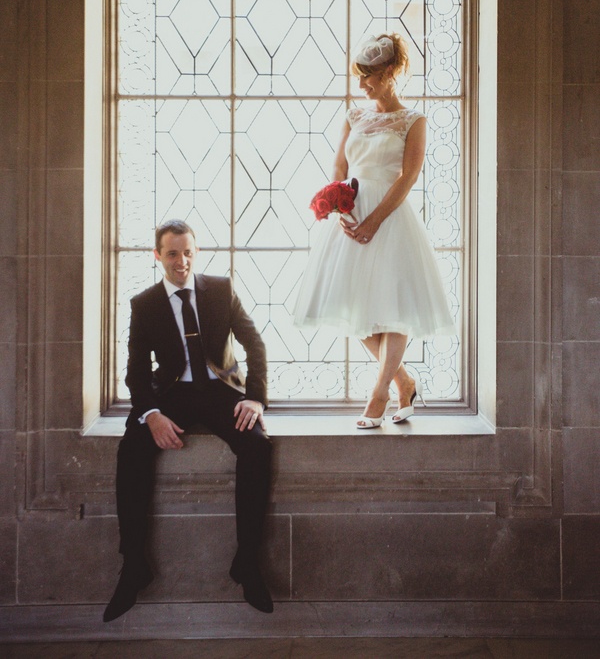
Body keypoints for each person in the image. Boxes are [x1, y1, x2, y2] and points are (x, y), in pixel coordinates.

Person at [104, 219, 273, 622]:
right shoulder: (144, 304)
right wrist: (151, 414)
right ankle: (133, 566)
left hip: (219, 390)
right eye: (173, 253)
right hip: (171, 395)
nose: (182, 261)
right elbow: (135, 372)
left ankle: (247, 563)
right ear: (158, 255)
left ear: (196, 253)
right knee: (131, 450)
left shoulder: (220, 290)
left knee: (257, 447)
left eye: (188, 252)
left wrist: (255, 400)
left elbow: (255, 344)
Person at [294, 34, 454, 428]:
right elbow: (338, 169)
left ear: (389, 74)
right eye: (360, 78)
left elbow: (408, 177)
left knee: (393, 310)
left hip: (390, 217)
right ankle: (404, 381)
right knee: (350, 304)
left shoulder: (413, 120)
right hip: (350, 214)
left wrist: (375, 220)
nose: (362, 85)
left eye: (368, 77)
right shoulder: (354, 116)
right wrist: (338, 206)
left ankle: (379, 392)